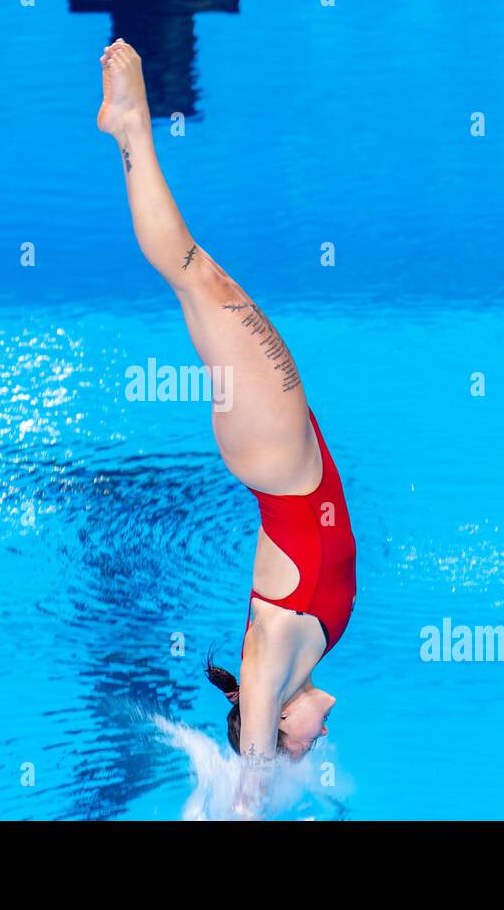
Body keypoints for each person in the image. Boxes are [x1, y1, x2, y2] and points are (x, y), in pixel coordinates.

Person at [97, 39, 357, 817]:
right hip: (280, 446)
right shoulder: (307, 651)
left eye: (299, 747)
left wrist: (248, 794)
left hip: (277, 452)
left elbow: (252, 759)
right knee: (199, 281)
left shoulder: (272, 659)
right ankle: (129, 128)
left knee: (194, 273)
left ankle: (131, 126)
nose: (321, 738)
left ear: (274, 723)